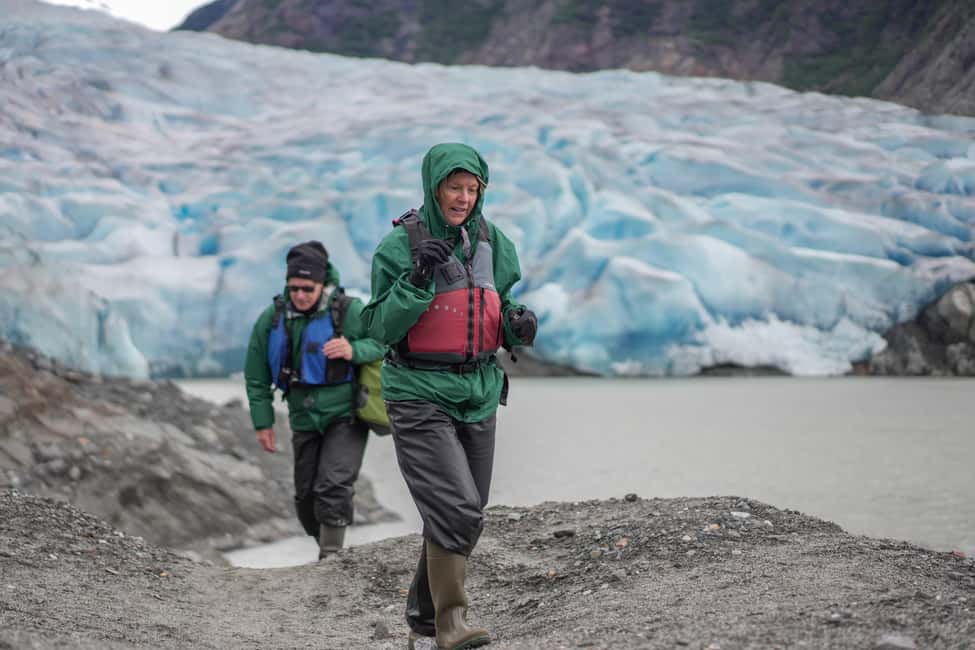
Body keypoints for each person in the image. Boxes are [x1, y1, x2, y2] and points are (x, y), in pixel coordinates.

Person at [361, 143, 538, 650]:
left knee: (467, 508)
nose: (462, 197)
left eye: (471, 188)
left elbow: (499, 304)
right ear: (434, 187)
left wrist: (517, 323)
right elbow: (374, 328)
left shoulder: (492, 241)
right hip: (417, 391)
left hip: (478, 389)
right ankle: (449, 623)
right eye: (453, 187)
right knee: (456, 507)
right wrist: (416, 279)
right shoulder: (399, 244)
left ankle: (422, 611)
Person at [243, 240, 385, 560]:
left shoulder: (349, 310)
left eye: (308, 288)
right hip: (303, 416)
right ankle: (324, 543)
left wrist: (353, 350)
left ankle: (330, 558)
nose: (300, 295)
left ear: (322, 284)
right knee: (306, 497)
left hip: (345, 414)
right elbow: (256, 374)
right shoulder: (274, 318)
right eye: (294, 288)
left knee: (333, 484)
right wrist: (263, 422)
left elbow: (383, 342)